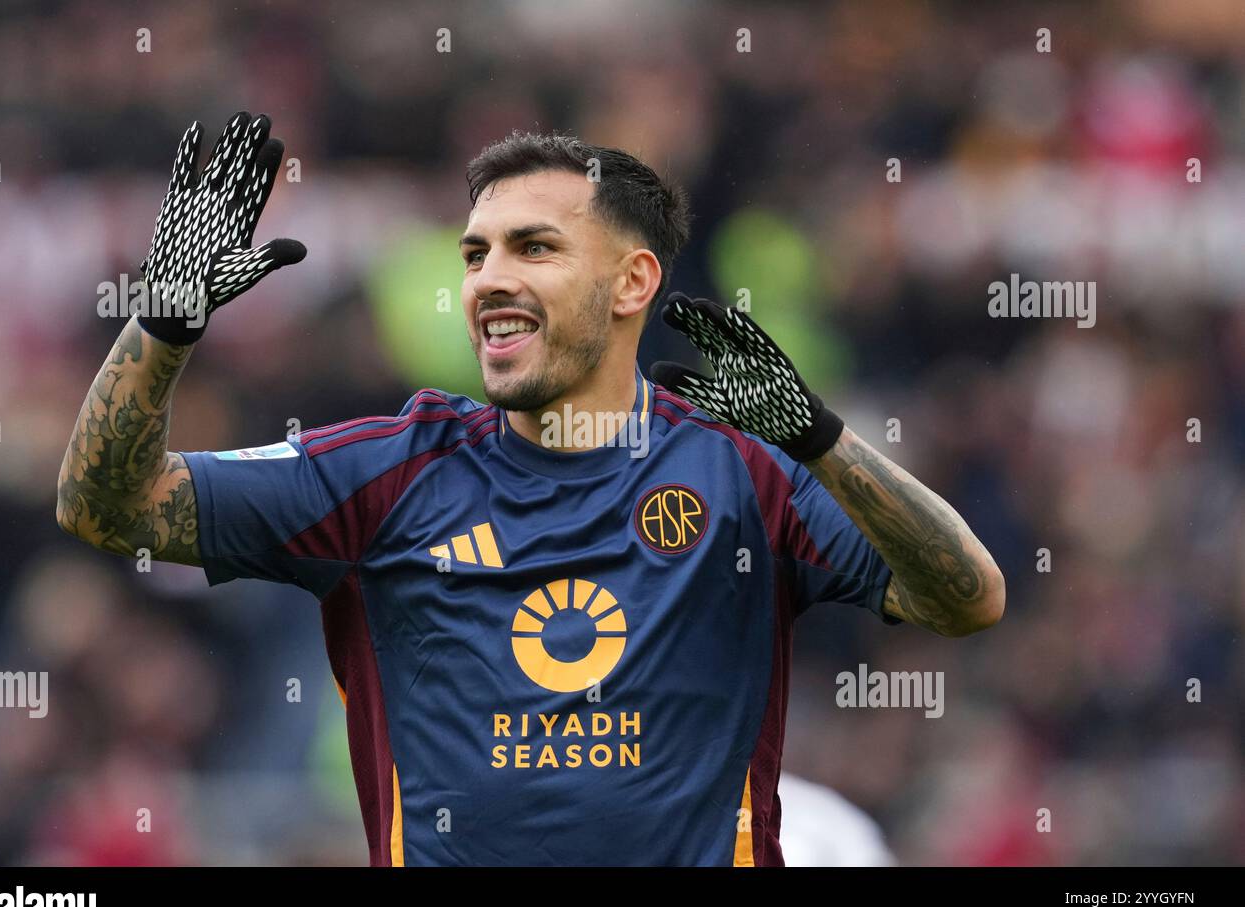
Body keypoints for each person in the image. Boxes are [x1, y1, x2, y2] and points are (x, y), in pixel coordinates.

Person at [56, 111, 1004, 866]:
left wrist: (824, 443)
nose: (488, 282)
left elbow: (965, 598)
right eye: (476, 255)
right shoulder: (383, 473)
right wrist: (163, 324)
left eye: (533, 248)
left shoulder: (746, 474)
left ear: (633, 281)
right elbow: (106, 506)